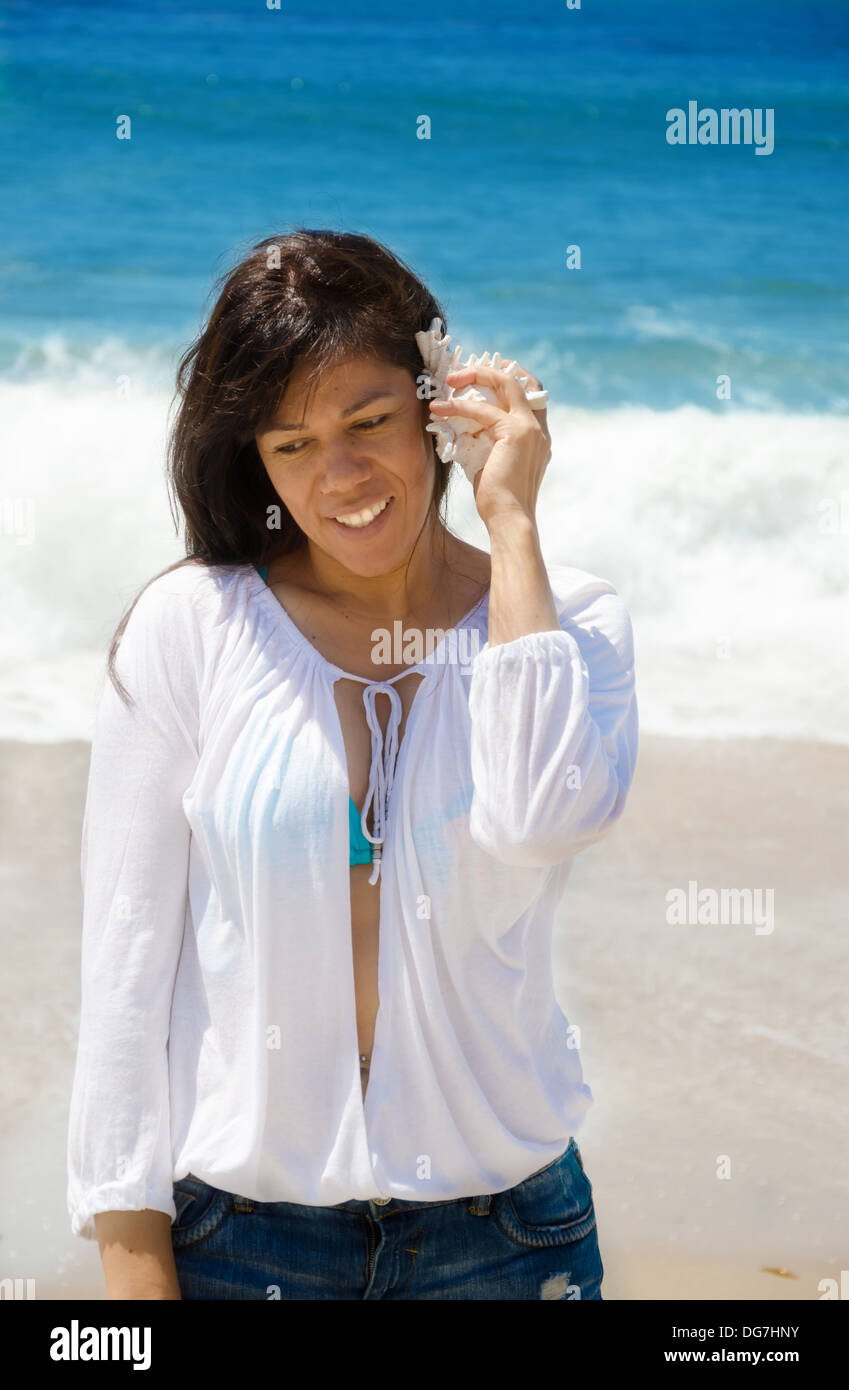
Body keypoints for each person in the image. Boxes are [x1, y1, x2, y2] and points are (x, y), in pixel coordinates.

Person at [66, 227, 638, 1300]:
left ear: (437, 406)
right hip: (241, 1244)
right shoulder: (194, 627)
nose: (341, 476)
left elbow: (542, 817)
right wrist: (133, 1284)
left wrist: (509, 515)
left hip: (510, 1242)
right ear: (258, 462)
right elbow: (126, 976)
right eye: (292, 444)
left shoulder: (573, 624)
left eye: (370, 422)